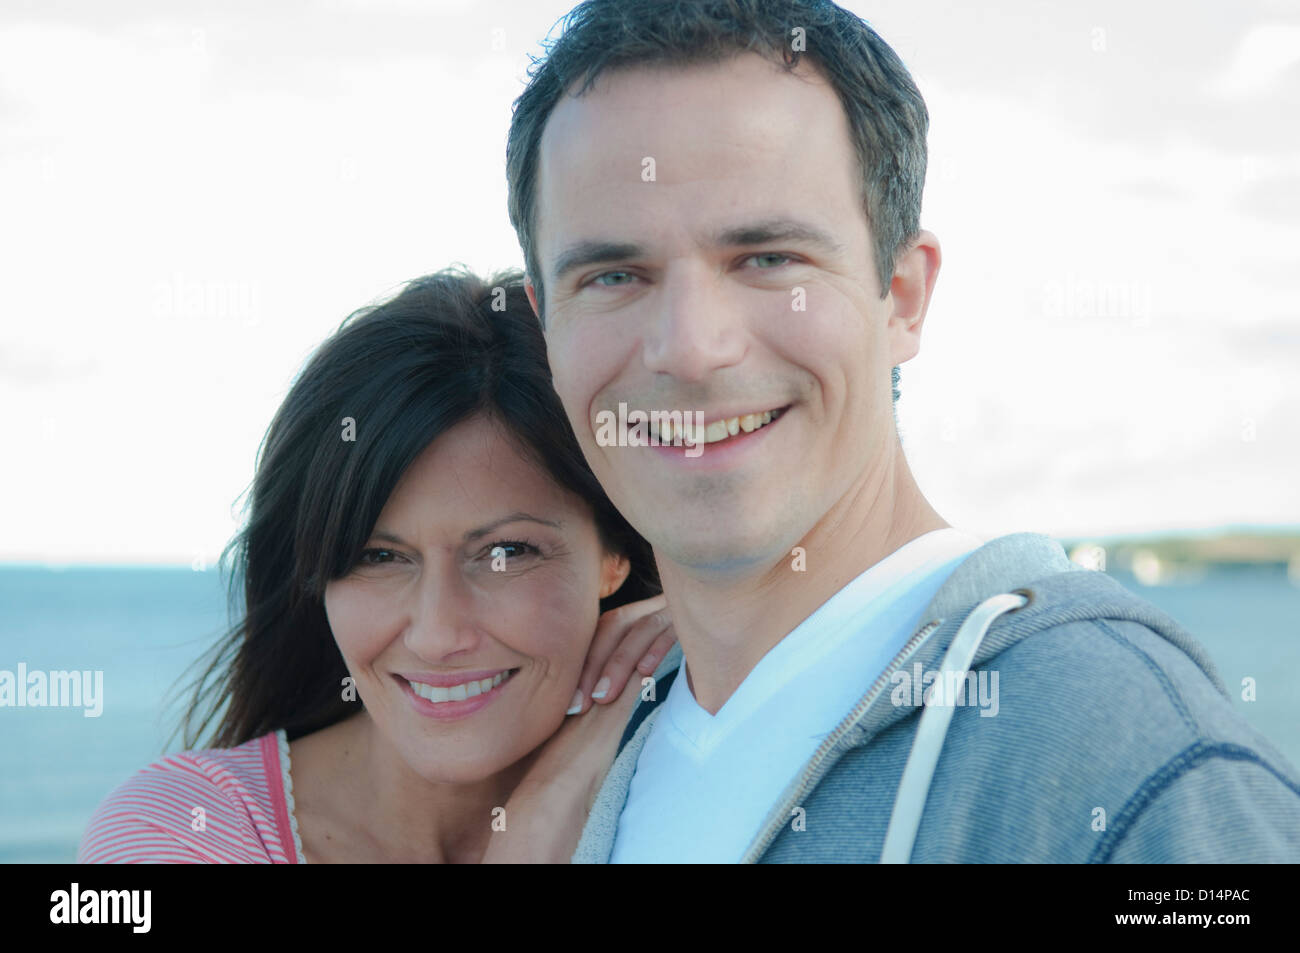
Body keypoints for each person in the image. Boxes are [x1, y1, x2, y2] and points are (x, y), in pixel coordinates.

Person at [503, 0, 1300, 862]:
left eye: (769, 259)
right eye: (615, 274)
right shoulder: (598, 762)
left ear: (903, 297)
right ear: (546, 323)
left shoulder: (1127, 762)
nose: (691, 348)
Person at [77, 267, 674, 863]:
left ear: (616, 551)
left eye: (505, 553)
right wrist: (542, 817)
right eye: (379, 557)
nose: (437, 635)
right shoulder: (183, 833)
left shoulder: (703, 798)